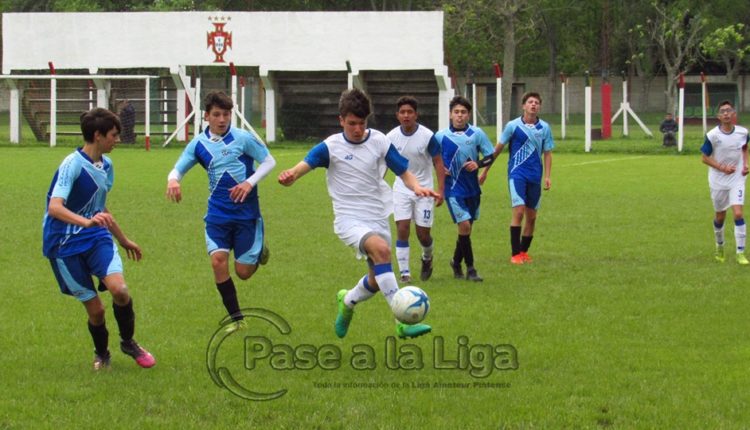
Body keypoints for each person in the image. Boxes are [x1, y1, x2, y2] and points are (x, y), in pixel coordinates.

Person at [278, 88, 439, 339]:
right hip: (348, 219)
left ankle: (348, 301)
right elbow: (301, 167)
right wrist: (290, 176)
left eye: (361, 123)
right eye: (351, 123)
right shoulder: (329, 147)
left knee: (376, 279)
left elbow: (402, 172)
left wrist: (417, 187)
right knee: (383, 251)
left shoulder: (378, 141)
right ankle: (402, 323)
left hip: (377, 216)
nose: (357, 129)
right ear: (341, 119)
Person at [42, 108, 155, 370]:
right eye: (114, 135)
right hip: (63, 245)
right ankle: (102, 354)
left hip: (96, 238)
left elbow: (100, 208)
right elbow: (55, 208)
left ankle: (128, 342)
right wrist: (86, 221)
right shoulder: (71, 164)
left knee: (121, 291)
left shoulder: (107, 165)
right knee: (97, 312)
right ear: (97, 135)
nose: (118, 139)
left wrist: (124, 239)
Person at [166, 91, 276, 332]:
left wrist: (249, 183)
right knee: (218, 261)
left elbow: (269, 162)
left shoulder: (243, 138)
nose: (222, 119)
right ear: (207, 116)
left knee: (243, 272)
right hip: (217, 215)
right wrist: (173, 180)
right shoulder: (198, 144)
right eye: (217, 114)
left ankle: (258, 253)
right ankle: (237, 320)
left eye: (226, 114)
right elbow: (178, 168)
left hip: (246, 215)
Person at [482, 92, 554, 265]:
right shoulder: (513, 126)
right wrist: (485, 171)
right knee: (519, 211)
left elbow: (548, 153)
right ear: (523, 106)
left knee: (532, 217)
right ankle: (515, 254)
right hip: (517, 174)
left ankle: (523, 252)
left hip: (535, 177)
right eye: (530, 102)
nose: (533, 105)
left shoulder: (544, 128)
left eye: (536, 102)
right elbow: (497, 150)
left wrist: (548, 176)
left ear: (539, 107)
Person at [387, 96, 445, 283]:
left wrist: (441, 191)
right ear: (397, 115)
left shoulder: (428, 136)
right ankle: (404, 273)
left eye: (409, 112)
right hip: (401, 188)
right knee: (402, 228)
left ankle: (427, 257)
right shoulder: (390, 137)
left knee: (423, 235)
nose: (406, 115)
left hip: (425, 190)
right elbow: (383, 162)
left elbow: (438, 162)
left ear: (416, 115)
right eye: (402, 112)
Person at [437, 95, 495, 281]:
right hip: (453, 189)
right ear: (450, 115)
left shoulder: (477, 134)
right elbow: (430, 156)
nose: (459, 116)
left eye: (463, 112)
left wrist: (478, 164)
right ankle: (471, 269)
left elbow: (490, 155)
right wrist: (439, 168)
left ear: (468, 115)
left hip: (472, 189)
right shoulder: (441, 136)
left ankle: (455, 261)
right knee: (464, 225)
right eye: (456, 112)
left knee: (466, 230)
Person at [701, 100, 750, 264]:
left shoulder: (743, 132)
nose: (726, 113)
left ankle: (740, 253)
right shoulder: (712, 135)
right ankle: (719, 245)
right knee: (720, 217)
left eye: (729, 110)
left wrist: (746, 164)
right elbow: (705, 158)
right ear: (718, 116)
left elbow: (744, 148)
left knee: (738, 213)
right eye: (723, 111)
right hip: (718, 180)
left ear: (734, 113)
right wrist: (722, 168)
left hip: (737, 178)